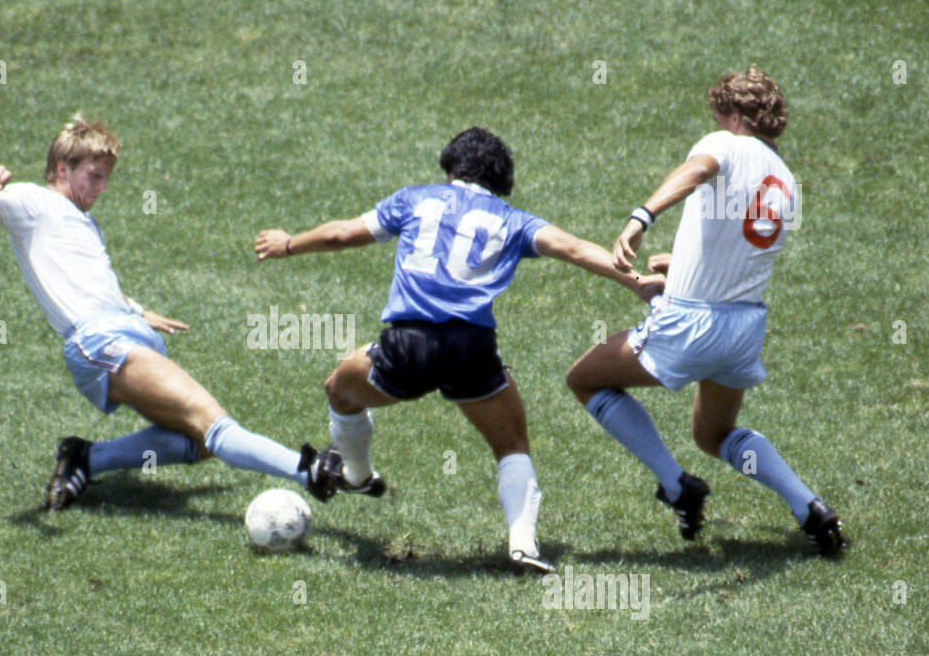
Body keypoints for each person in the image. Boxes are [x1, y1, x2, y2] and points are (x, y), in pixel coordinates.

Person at [254, 127, 664, 573]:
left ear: (451, 169)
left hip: (408, 344)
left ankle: (355, 474)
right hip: (472, 348)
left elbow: (340, 235)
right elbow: (576, 249)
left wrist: (288, 243)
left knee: (340, 388)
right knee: (510, 445)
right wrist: (639, 284)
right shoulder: (512, 219)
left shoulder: (415, 199)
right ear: (500, 179)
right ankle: (523, 544)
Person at [0, 114, 336, 511]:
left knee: (199, 442)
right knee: (217, 426)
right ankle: (308, 469)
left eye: (106, 179)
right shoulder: (33, 202)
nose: (101, 188)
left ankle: (85, 458)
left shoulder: (82, 220)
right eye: (94, 176)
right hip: (101, 342)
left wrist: (136, 310)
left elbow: (85, 278)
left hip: (121, 331)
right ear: (62, 169)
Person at [564, 66, 844, 554]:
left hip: (693, 323)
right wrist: (679, 266)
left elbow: (697, 171)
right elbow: (741, 244)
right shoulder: (786, 179)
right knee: (713, 434)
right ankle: (809, 507)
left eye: (717, 112)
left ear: (735, 114)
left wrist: (640, 218)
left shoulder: (726, 143)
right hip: (744, 328)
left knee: (584, 379)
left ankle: (677, 487)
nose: (713, 120)